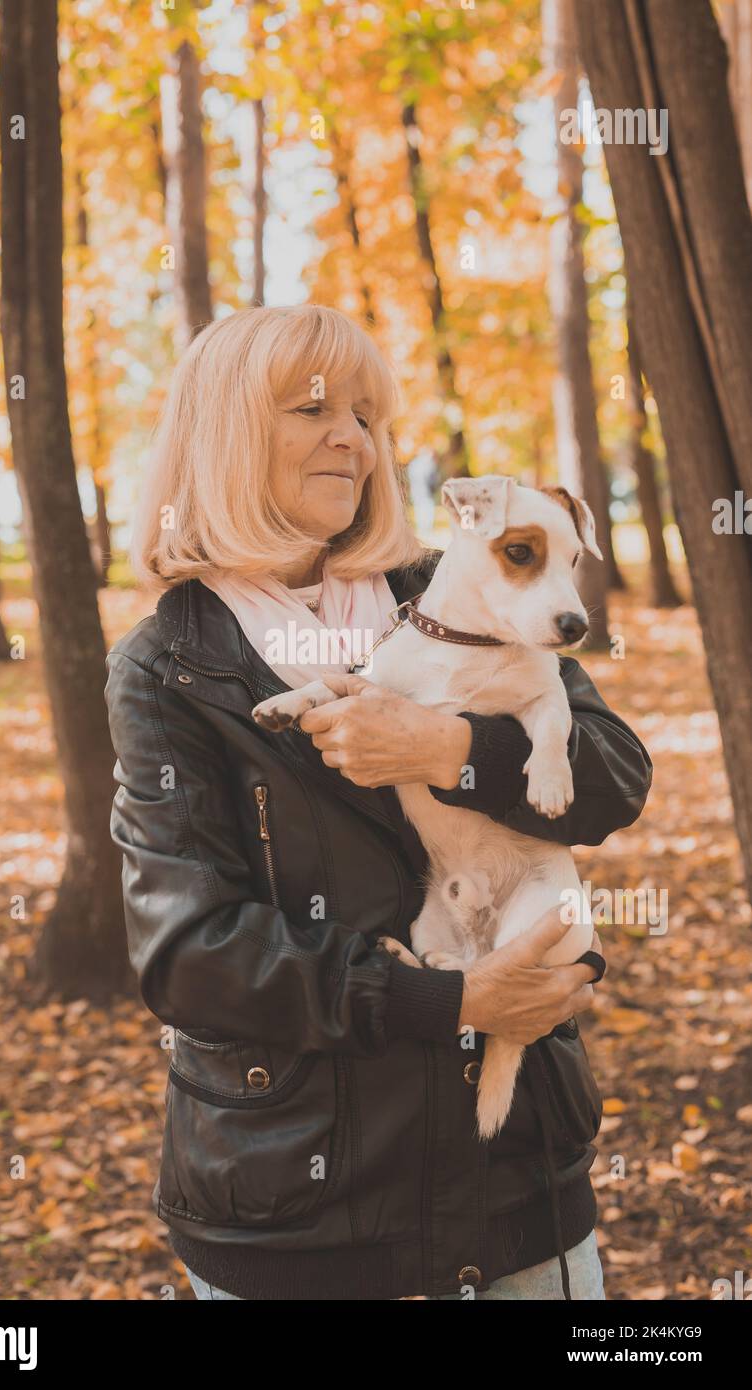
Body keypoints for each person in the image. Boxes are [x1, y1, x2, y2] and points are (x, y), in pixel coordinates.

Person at [104, 304, 652, 1301]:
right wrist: (446, 1000)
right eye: (311, 408)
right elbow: (189, 954)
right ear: (223, 434)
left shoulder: (456, 582)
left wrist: (451, 748)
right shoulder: (166, 668)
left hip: (513, 1179)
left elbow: (611, 773)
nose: (353, 440)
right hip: (301, 1220)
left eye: (365, 415)